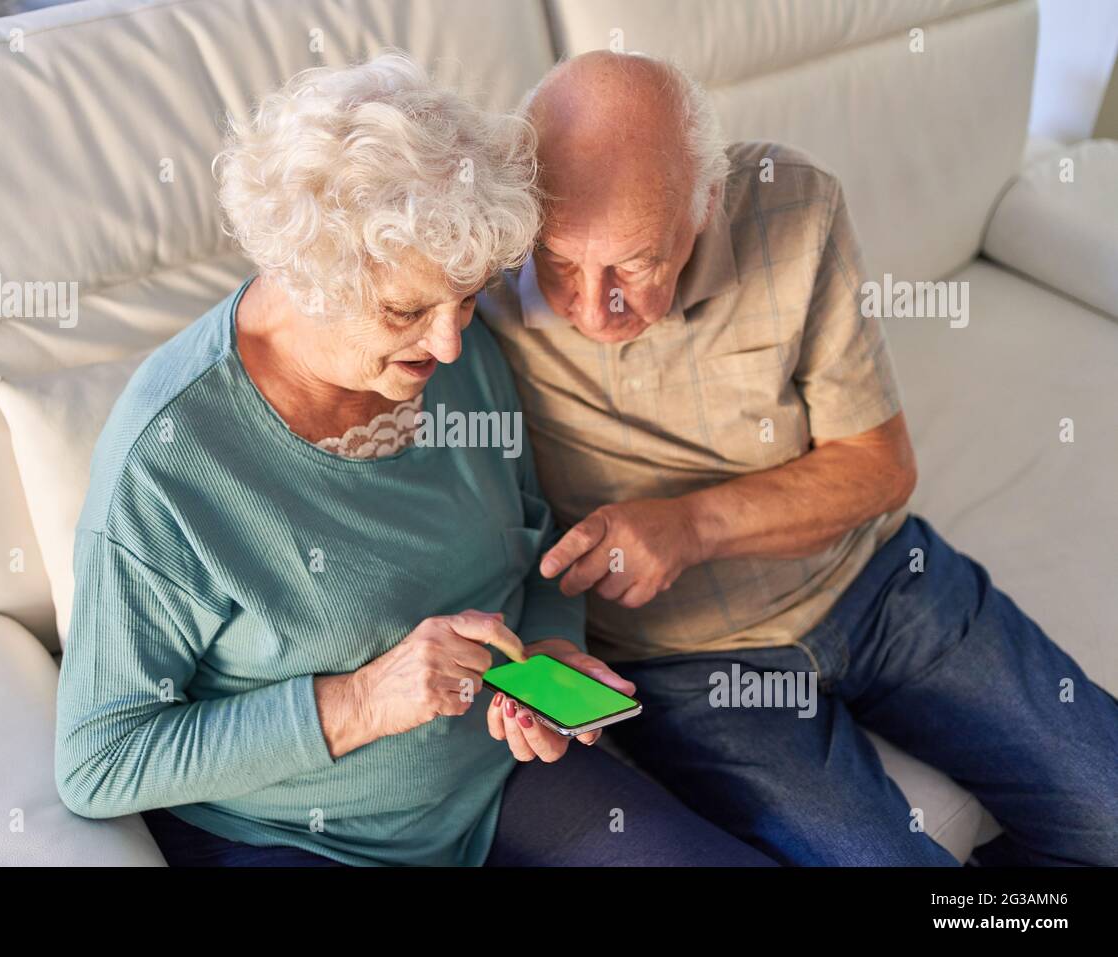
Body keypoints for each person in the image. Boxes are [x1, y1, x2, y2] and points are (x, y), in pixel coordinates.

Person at [54, 52, 774, 868]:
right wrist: (359, 701)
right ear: (304, 278)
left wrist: (543, 657)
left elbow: (534, 547)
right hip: (298, 836)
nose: (449, 340)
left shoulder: (457, 355)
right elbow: (99, 760)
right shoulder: (169, 466)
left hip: (494, 782)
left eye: (466, 296)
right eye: (405, 309)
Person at [479, 50, 1118, 866]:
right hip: (687, 660)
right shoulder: (482, 271)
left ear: (703, 205)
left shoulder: (792, 205)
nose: (592, 307)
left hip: (875, 578)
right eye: (561, 262)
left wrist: (689, 525)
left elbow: (880, 467)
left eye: (635, 266)